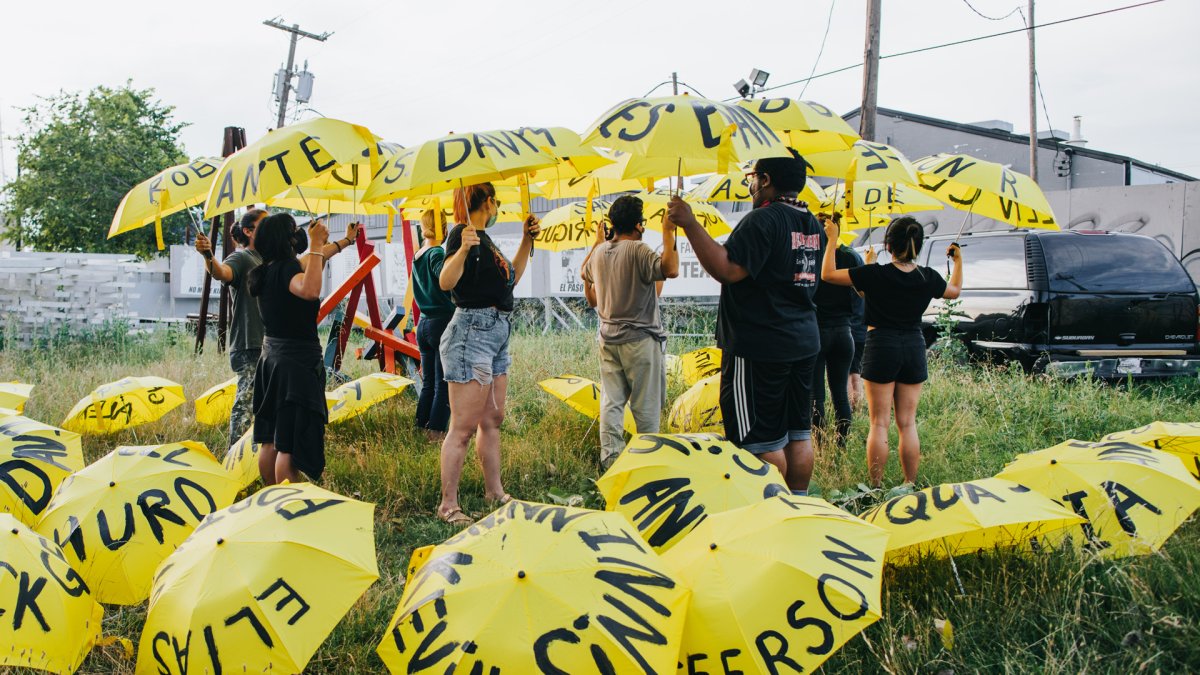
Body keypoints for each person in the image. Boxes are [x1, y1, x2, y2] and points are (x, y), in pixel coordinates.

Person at [667, 150, 824, 495]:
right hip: (803, 342)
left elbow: (727, 269)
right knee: (798, 434)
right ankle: (797, 506)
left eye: (752, 178)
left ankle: (768, 513)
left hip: (759, 347)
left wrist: (690, 223)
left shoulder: (762, 220)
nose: (750, 185)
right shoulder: (812, 223)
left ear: (765, 180)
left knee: (760, 439)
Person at [819, 215, 962, 487]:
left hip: (881, 345)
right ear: (917, 246)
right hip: (913, 346)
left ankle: (876, 487)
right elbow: (953, 290)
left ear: (888, 244)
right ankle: (910, 483)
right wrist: (958, 261)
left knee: (879, 423)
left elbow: (828, 274)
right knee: (907, 423)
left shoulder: (875, 274)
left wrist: (832, 240)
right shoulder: (926, 276)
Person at [436, 183, 540, 525]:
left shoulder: (486, 239)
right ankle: (448, 505)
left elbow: (511, 278)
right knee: (463, 427)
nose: (497, 206)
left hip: (496, 333)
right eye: (494, 200)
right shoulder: (461, 235)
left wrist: (527, 239)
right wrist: (462, 250)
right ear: (485, 203)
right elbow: (446, 282)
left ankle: (494, 492)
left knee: (492, 420)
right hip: (471, 334)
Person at [249, 214, 360, 486]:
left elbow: (316, 259)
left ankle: (271, 497)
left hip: (271, 360)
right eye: (293, 231)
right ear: (285, 239)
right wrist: (314, 241)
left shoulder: (267, 270)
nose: (298, 233)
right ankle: (291, 505)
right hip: (295, 365)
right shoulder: (288, 268)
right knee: (289, 442)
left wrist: (344, 241)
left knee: (271, 437)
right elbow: (310, 289)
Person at [580, 195, 679, 468]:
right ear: (639, 225)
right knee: (645, 407)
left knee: (611, 402)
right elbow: (670, 269)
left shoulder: (600, 252)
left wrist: (598, 241)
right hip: (640, 341)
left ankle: (610, 459)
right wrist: (669, 232)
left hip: (607, 338)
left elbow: (583, 272)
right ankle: (648, 465)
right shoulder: (639, 249)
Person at [195, 209, 266, 447]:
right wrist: (208, 256)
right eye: (264, 223)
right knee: (245, 406)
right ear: (248, 231)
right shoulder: (242, 257)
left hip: (268, 344)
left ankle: (258, 456)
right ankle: (235, 458)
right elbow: (221, 272)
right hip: (249, 343)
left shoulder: (265, 258)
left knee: (265, 406)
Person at [811, 212, 859, 447]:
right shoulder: (851, 257)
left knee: (816, 394)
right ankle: (841, 445)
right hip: (844, 333)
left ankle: (819, 447)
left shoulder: (810, 258)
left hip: (817, 332)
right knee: (840, 392)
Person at [413, 209, 455, 441]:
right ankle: (436, 433)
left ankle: (420, 427)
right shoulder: (437, 252)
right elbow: (445, 280)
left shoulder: (419, 254)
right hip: (442, 323)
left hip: (423, 323)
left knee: (428, 382)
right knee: (443, 383)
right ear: (443, 227)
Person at [847, 246, 868, 409]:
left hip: (849, 327)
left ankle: (849, 409)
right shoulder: (861, 270)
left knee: (846, 374)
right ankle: (858, 409)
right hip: (861, 327)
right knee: (856, 372)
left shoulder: (845, 266)